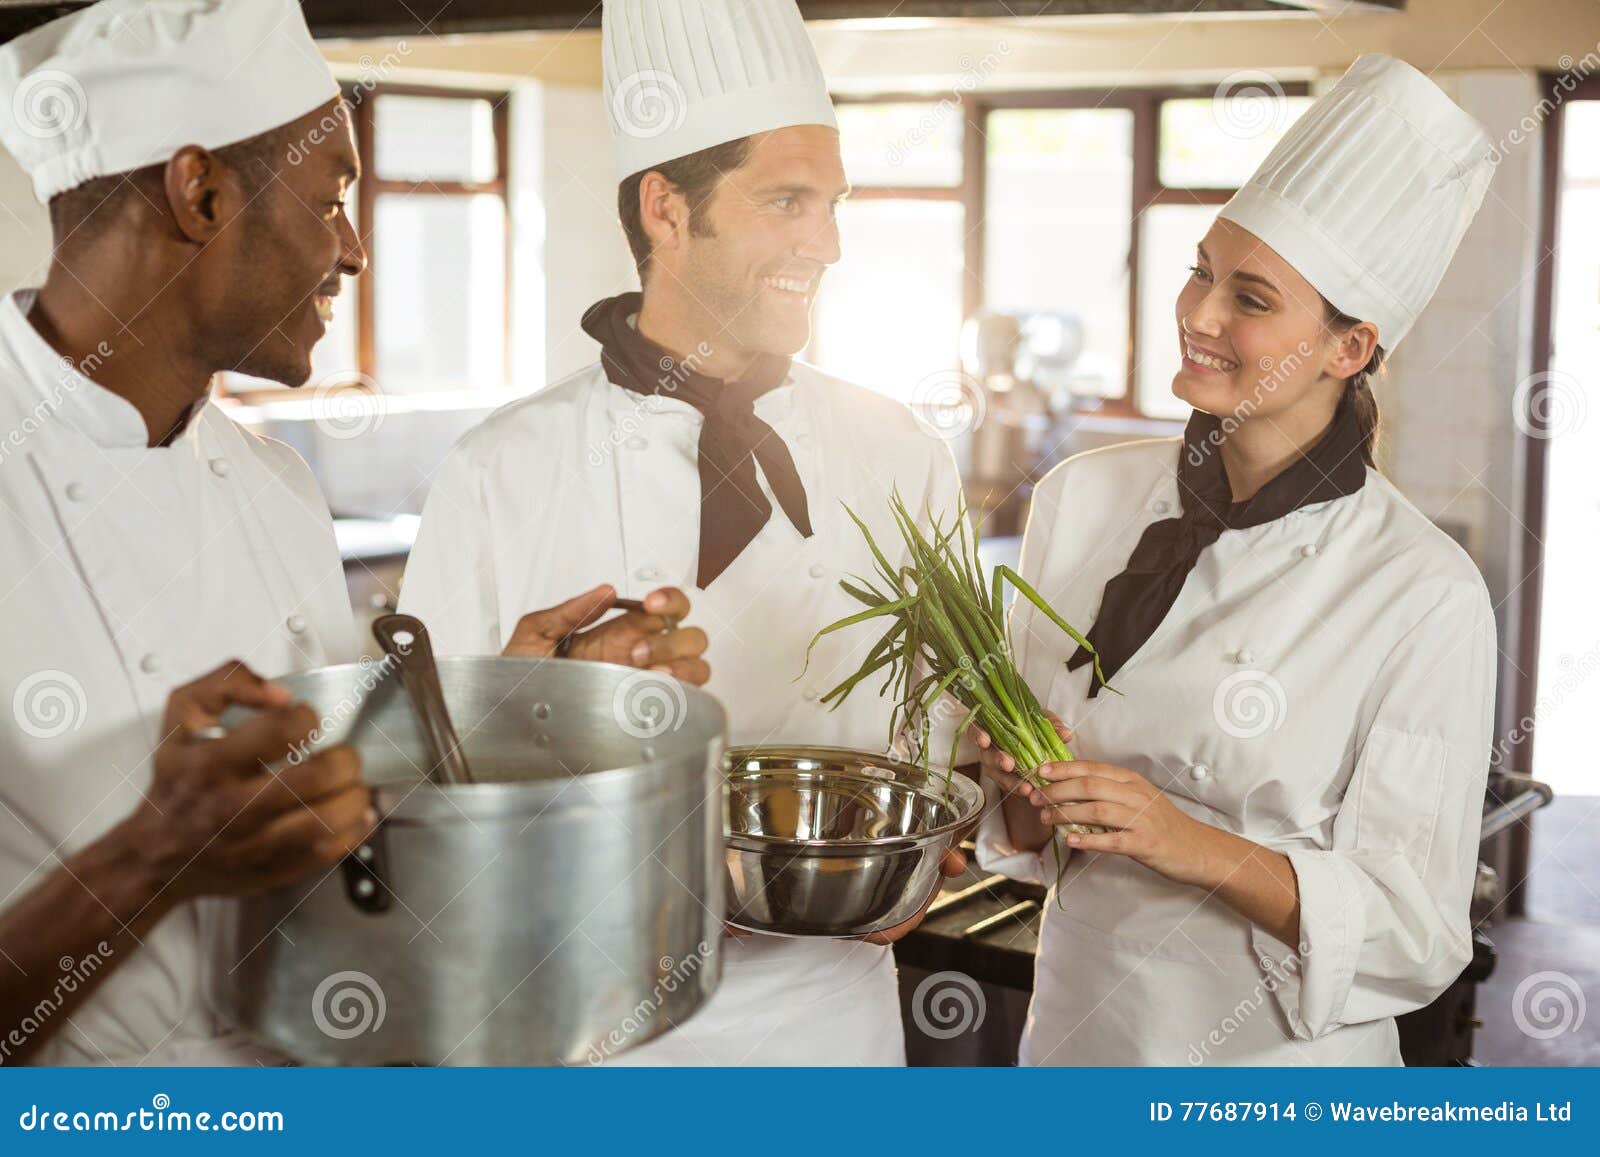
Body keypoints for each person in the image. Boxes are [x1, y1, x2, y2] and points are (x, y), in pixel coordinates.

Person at [0, 0, 705, 1066]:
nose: (356, 250)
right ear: (200, 194)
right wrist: (155, 853)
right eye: (332, 197)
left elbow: (336, 833)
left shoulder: (273, 485)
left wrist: (505, 707)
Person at [399, 0, 968, 1066]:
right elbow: (416, 802)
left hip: (829, 1027)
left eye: (834, 203)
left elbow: (935, 732)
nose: (828, 243)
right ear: (666, 208)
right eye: (789, 201)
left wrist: (933, 854)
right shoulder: (500, 468)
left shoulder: (899, 453)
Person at [971, 54, 1496, 1066]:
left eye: (1249, 298)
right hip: (1076, 1032)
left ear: (1348, 349)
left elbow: (1415, 930)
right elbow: (1031, 836)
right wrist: (1020, 793)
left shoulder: (1422, 591)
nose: (1200, 315)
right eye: (1200, 271)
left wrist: (1183, 840)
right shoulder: (1083, 497)